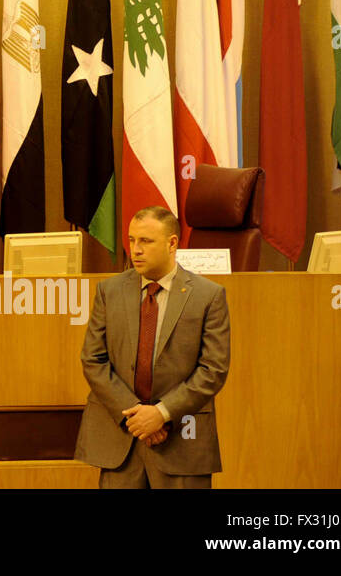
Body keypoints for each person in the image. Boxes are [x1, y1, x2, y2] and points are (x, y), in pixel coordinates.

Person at [75, 205, 231, 488]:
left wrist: (161, 413)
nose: (135, 249)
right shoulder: (109, 291)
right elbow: (93, 360)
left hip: (182, 439)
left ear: (172, 243)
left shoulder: (208, 296)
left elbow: (213, 369)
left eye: (145, 241)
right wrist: (135, 414)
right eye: (132, 240)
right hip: (122, 440)